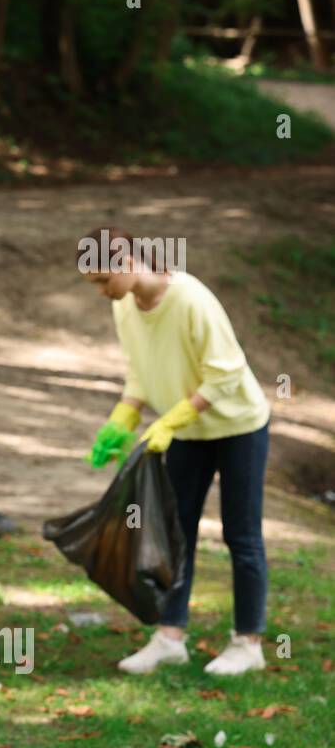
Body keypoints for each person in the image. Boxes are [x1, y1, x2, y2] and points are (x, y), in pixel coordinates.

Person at [80, 227, 272, 676]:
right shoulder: (126, 308)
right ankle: (170, 637)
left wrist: (168, 421)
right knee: (176, 532)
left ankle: (250, 643)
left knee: (240, 535)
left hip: (238, 426)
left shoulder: (190, 299)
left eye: (104, 280)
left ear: (127, 263)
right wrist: (121, 420)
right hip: (187, 432)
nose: (102, 292)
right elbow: (141, 373)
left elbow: (225, 374)